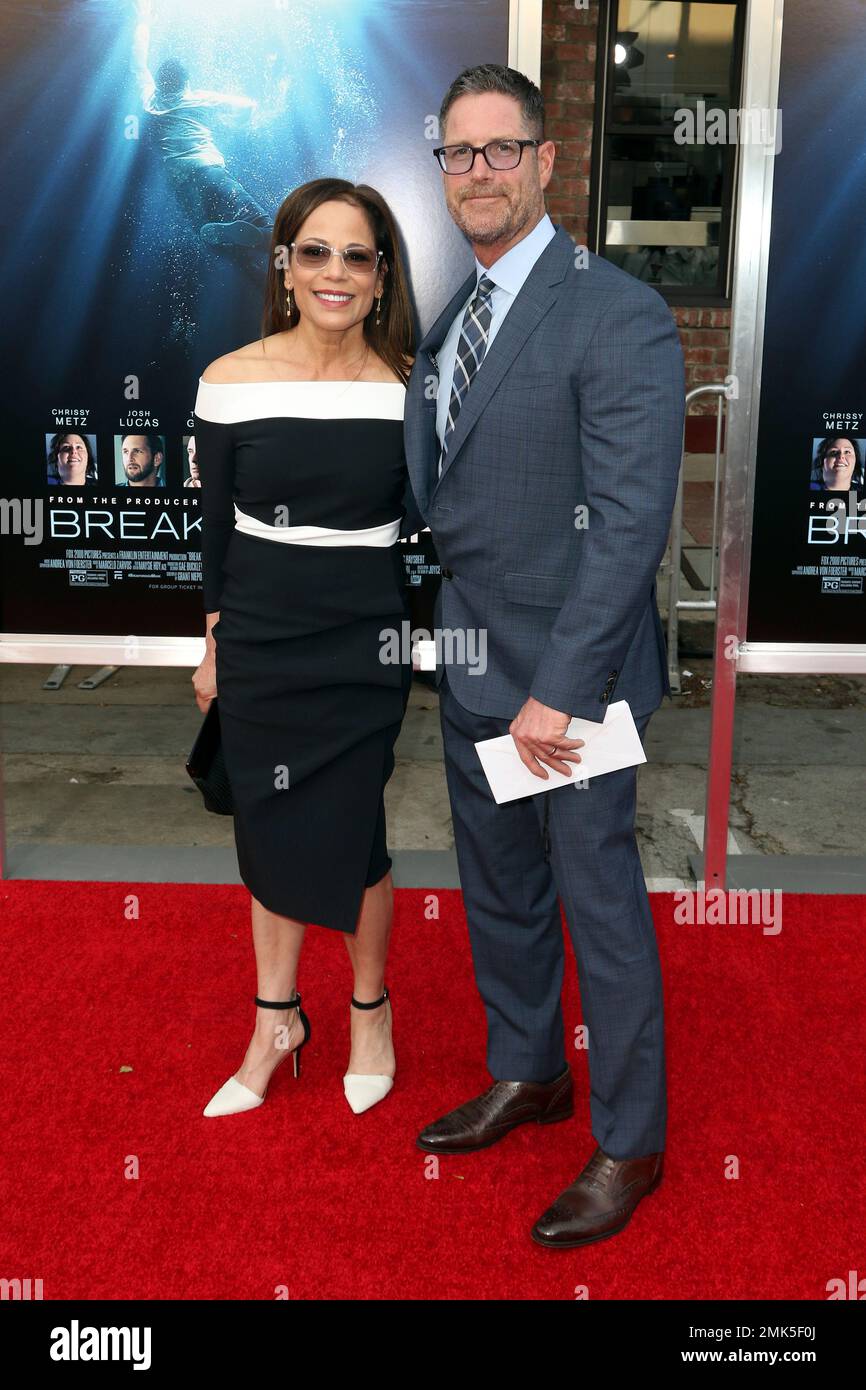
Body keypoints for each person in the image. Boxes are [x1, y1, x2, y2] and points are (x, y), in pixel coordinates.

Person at [403, 65, 685, 1248]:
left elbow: (627, 529)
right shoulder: (452, 314)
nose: (477, 173)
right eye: (458, 154)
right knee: (500, 894)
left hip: (560, 692)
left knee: (596, 903)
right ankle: (530, 1073)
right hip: (470, 669)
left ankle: (630, 1141)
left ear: (544, 161)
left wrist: (553, 695)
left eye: (498, 151)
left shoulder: (614, 311)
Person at [192, 177, 423, 1120]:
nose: (335, 271)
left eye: (356, 255)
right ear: (286, 266)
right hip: (260, 639)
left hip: (362, 644)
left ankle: (371, 1011)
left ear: (380, 277)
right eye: (314, 251)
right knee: (269, 829)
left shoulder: (411, 389)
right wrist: (213, 648)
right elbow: (214, 540)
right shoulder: (230, 377)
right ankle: (274, 1019)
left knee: (357, 833)